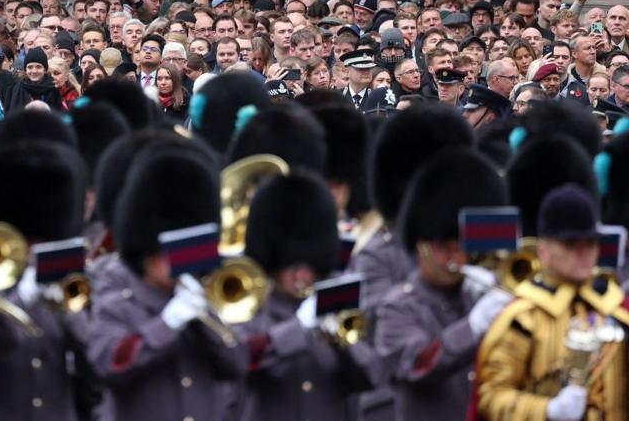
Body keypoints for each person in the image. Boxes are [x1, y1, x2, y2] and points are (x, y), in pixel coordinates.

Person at [87, 145, 248, 421]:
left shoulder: (208, 291)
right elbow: (109, 363)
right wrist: (168, 323)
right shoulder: (117, 289)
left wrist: (205, 317)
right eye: (162, 254)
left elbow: (239, 362)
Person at [376, 147, 513, 421]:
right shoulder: (398, 306)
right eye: (443, 247)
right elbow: (419, 364)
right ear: (421, 244)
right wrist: (472, 327)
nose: (456, 257)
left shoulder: (480, 296)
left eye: (461, 245)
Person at [475, 184, 629, 419]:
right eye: (570, 244)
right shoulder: (523, 318)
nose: (583, 252)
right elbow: (491, 396)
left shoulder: (617, 309)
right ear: (544, 250)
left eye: (590, 243)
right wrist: (546, 410)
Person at [239, 170, 380, 420]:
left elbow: (373, 376)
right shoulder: (249, 302)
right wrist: (298, 327)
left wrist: (341, 342)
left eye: (307, 266)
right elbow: (243, 362)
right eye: (291, 266)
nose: (300, 276)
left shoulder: (339, 297)